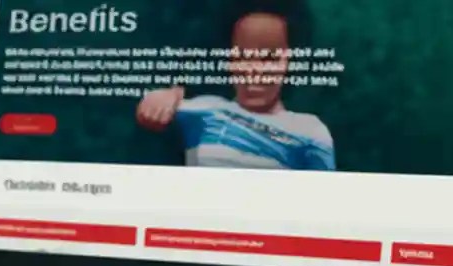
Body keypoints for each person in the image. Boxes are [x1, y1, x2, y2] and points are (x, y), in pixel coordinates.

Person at [136, 0, 335, 170]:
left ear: (290, 62)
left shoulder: (310, 132)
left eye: (269, 58)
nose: (253, 70)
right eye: (242, 56)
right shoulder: (204, 111)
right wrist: (163, 98)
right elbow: (152, 111)